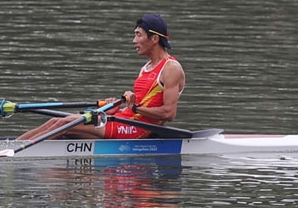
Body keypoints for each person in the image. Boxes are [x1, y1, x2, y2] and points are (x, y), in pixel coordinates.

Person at [17, 13, 184, 140]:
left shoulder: (171, 68)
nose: (134, 41)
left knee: (64, 124)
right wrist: (117, 108)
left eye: (138, 35)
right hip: (124, 120)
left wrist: (133, 108)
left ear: (154, 39)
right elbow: (138, 105)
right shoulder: (146, 68)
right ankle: (14, 145)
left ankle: (18, 154)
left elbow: (169, 113)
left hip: (138, 128)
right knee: (59, 120)